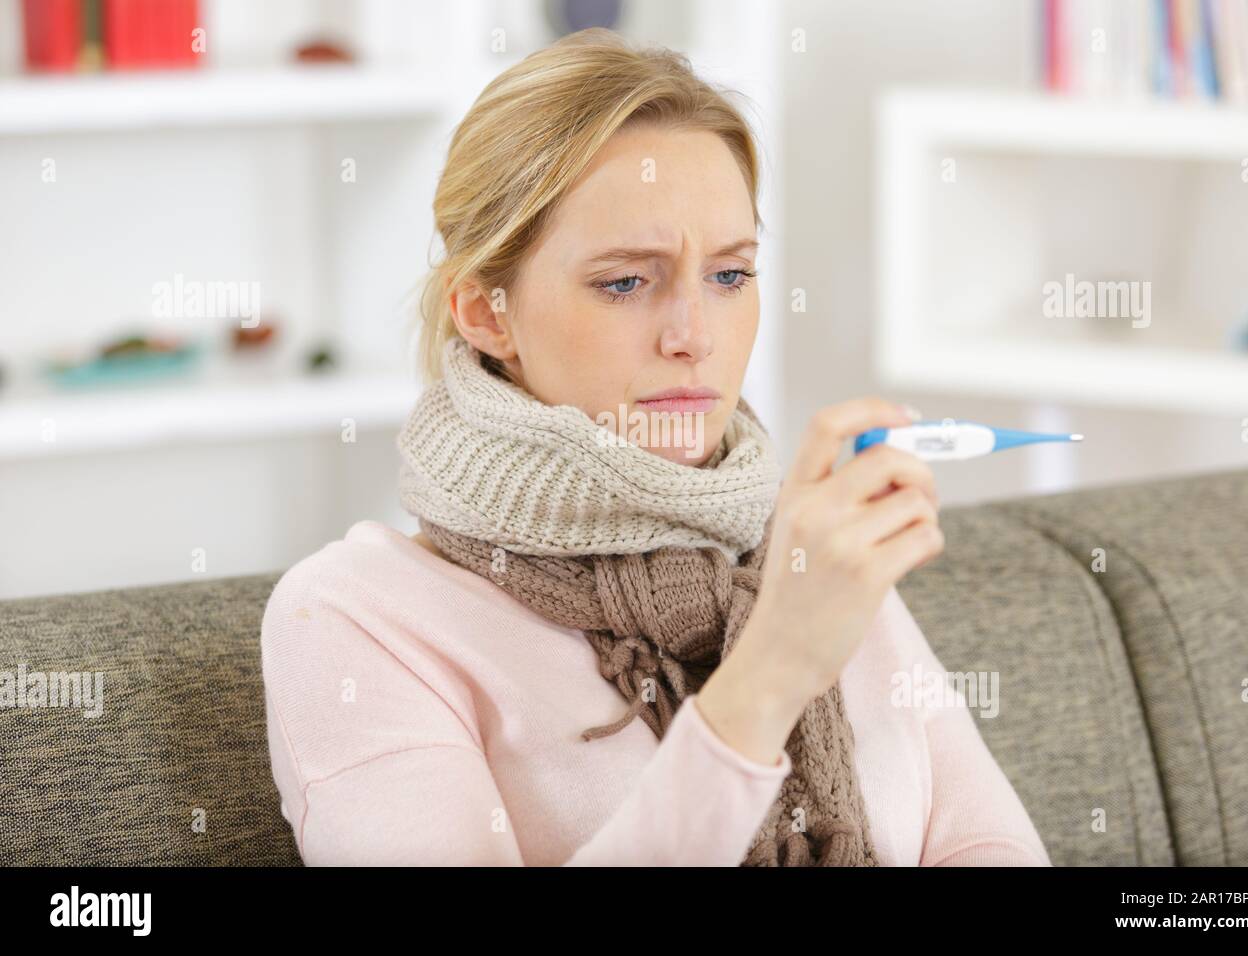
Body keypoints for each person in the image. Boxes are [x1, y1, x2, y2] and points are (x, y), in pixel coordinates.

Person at [260, 27, 1051, 867]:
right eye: (625, 282)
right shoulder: (358, 617)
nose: (694, 337)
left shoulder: (814, 554)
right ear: (488, 313)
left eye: (729, 276)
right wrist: (772, 670)